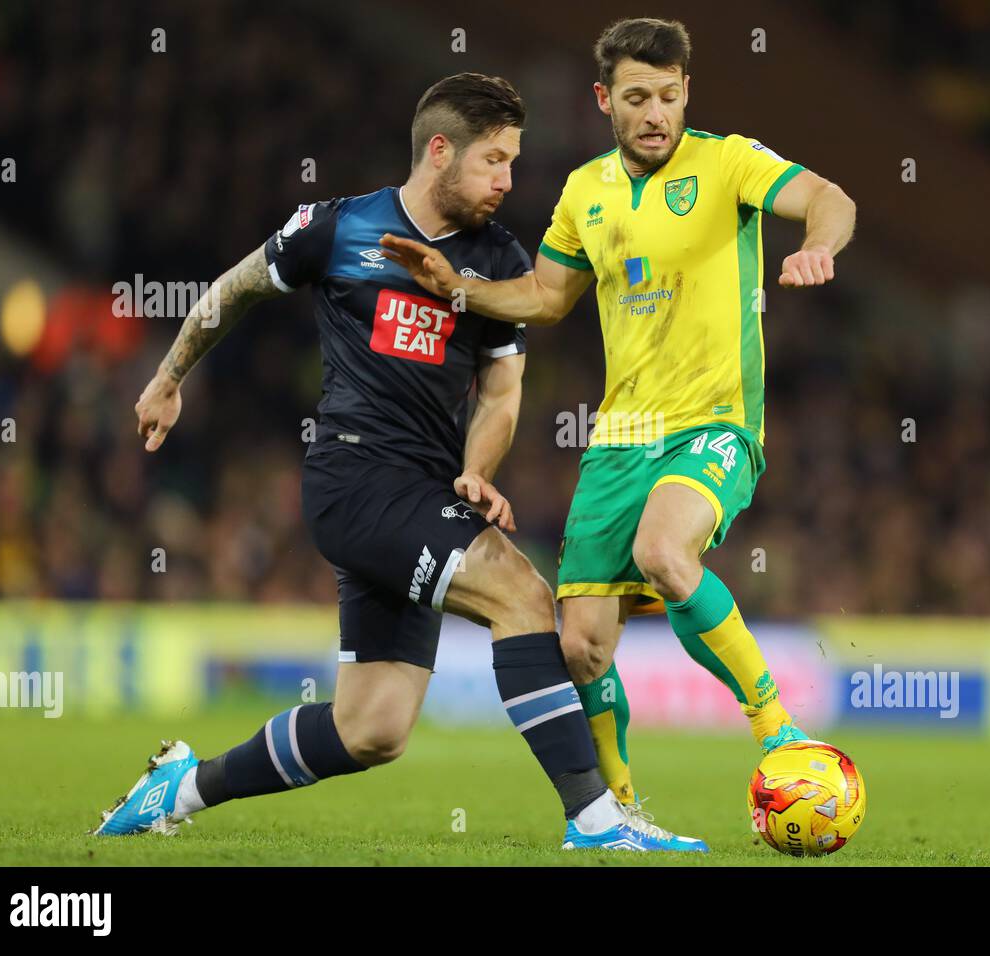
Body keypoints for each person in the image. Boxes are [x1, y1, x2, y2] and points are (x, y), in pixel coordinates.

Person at [95, 72, 703, 852]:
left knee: (371, 727)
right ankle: (595, 820)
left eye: (513, 162)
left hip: (422, 492)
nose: (507, 181)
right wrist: (169, 377)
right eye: (494, 160)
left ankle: (182, 786)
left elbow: (502, 391)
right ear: (439, 151)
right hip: (354, 477)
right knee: (521, 594)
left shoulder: (500, 259)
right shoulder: (337, 227)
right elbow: (237, 287)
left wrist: (479, 469)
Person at [380, 20, 856, 824]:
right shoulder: (584, 192)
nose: (655, 114)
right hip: (619, 440)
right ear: (605, 100)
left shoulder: (727, 160)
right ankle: (621, 813)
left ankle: (775, 725)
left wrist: (819, 246)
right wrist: (456, 284)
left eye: (669, 97)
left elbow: (828, 198)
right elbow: (544, 297)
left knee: (664, 552)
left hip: (715, 422)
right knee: (582, 644)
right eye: (637, 98)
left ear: (685, 94)